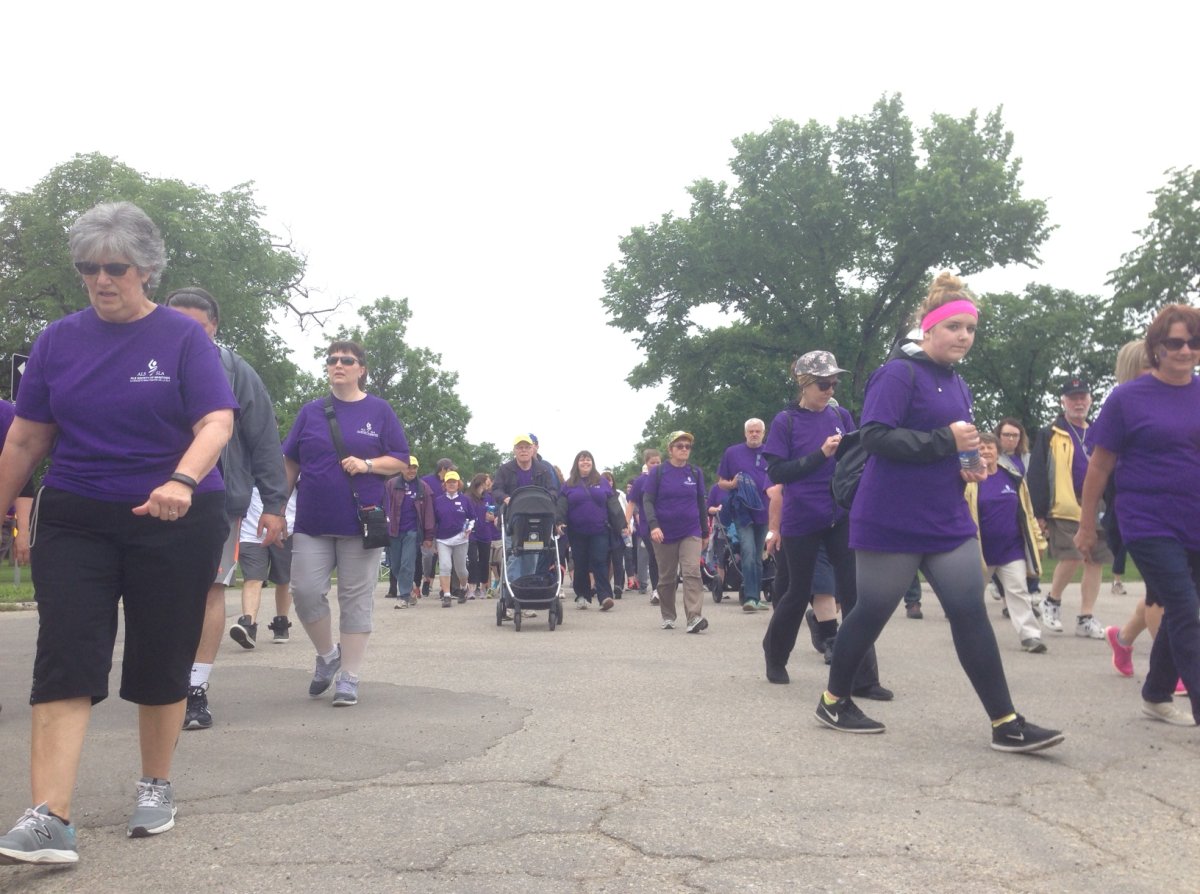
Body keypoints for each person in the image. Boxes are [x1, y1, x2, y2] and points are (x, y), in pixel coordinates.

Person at [0, 202, 236, 863]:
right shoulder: (57, 340)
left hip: (175, 518)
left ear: (147, 270)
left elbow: (216, 422)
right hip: (78, 515)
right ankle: (49, 819)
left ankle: (156, 784)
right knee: (66, 653)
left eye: (116, 268)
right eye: (88, 268)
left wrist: (181, 481)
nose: (102, 280)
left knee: (161, 654)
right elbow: (26, 436)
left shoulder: (183, 340)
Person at [815, 272, 1063, 753]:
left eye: (970, 329)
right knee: (871, 612)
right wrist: (944, 441)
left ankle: (1005, 721)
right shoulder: (897, 374)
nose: (964, 337)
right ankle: (833, 699)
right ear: (928, 330)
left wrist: (969, 464)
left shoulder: (958, 383)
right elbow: (876, 437)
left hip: (946, 517)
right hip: (890, 516)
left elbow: (960, 438)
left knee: (970, 611)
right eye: (954, 327)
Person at [164, 287, 289, 731]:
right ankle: (161, 681)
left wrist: (274, 504)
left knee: (210, 589)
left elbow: (264, 440)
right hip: (151, 498)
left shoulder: (237, 372)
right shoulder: (147, 362)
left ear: (213, 327)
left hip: (218, 501)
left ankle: (195, 688)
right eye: (174, 322)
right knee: (157, 593)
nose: (184, 335)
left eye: (195, 327)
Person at [1075, 305, 1200, 726]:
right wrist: (1086, 524)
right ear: (1156, 347)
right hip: (1147, 520)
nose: (1185, 350)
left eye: (1194, 342)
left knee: (1182, 606)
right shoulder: (1128, 398)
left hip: (1194, 519)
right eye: (1175, 343)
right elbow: (1100, 465)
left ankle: (1156, 693)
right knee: (1185, 609)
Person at [282, 340, 409, 708]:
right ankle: (327, 656)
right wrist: (276, 509)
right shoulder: (310, 412)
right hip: (312, 521)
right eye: (333, 360)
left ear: (361, 369)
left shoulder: (380, 411)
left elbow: (400, 459)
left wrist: (368, 465)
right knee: (304, 591)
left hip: (361, 522)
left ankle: (349, 677)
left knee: (355, 599)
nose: (338, 365)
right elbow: (290, 462)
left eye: (347, 360)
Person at [762, 351, 888, 700]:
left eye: (834, 383)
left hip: (840, 516)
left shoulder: (841, 415)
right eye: (823, 384)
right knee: (797, 591)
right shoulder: (785, 422)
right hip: (802, 518)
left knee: (854, 595)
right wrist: (820, 455)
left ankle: (864, 678)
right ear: (804, 383)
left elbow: (855, 460)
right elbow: (777, 473)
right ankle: (775, 655)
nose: (830, 389)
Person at [1100, 342, 1180, 690]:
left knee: (1162, 590)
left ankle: (1123, 638)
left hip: (1178, 511)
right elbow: (1101, 467)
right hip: (1137, 513)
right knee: (1166, 592)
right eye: (1148, 364)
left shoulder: (1177, 402)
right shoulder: (1123, 405)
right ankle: (1175, 666)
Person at [1027, 376, 1111, 638]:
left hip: (1097, 503)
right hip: (1064, 503)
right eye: (1072, 398)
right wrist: (1039, 511)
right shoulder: (1050, 433)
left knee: (1095, 560)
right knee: (1073, 554)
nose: (1078, 402)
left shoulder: (1100, 431)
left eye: (1082, 397)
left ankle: (1086, 616)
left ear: (1090, 400)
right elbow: (1037, 473)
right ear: (1063, 401)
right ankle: (1051, 601)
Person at [965, 433, 1047, 653]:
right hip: (981, 550)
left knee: (1018, 590)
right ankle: (969, 636)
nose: (985, 451)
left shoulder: (1012, 476)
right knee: (972, 596)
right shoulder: (970, 479)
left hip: (1011, 549)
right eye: (980, 448)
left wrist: (1038, 539)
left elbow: (1027, 512)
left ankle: (1030, 636)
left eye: (989, 447)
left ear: (997, 451)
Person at [643, 431, 709, 633]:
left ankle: (694, 617)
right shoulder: (659, 472)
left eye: (687, 446)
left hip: (690, 530)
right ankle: (669, 615)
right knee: (667, 578)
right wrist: (654, 525)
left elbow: (700, 503)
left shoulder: (695, 473)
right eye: (679, 446)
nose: (684, 449)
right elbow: (647, 500)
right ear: (670, 449)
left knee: (692, 572)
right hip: (663, 533)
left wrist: (705, 532)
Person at [556, 451, 627, 611]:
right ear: (577, 464)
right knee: (580, 563)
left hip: (599, 529)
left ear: (592, 463)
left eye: (588, 460)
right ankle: (582, 595)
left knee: (599, 561)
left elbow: (613, 503)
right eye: (582, 460)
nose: (585, 462)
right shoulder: (569, 484)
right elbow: (561, 505)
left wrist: (622, 523)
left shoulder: (602, 482)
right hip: (577, 531)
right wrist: (559, 521)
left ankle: (604, 597)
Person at [230, 487, 298, 646]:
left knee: (284, 578)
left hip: (286, 528)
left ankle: (281, 621)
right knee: (253, 577)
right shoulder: (245, 463)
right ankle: (248, 624)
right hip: (251, 531)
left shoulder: (290, 462)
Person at [717, 418, 771, 611]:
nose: (754, 434)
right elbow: (721, 482)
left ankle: (756, 597)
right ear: (745, 433)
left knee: (758, 556)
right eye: (751, 431)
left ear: (763, 433)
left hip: (765, 511)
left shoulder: (770, 452)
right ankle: (749, 597)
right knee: (747, 552)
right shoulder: (732, 453)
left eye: (758, 431)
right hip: (742, 512)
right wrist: (732, 485)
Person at [492, 433, 560, 579]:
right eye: (520, 448)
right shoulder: (505, 469)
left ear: (532, 449)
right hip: (513, 520)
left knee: (532, 557)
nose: (523, 450)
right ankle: (514, 592)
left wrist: (548, 499)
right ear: (514, 450)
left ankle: (527, 589)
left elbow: (553, 490)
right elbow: (496, 489)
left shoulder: (543, 470)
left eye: (527, 447)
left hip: (537, 520)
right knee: (514, 556)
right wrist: (505, 498)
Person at [384, 457, 435, 608]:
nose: (412, 470)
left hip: (412, 531)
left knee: (407, 564)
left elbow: (429, 513)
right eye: (408, 467)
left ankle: (404, 597)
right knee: (395, 566)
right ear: (401, 468)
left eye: (414, 467)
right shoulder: (391, 484)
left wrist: (428, 536)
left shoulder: (423, 487)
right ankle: (410, 587)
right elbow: (384, 505)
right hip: (393, 531)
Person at [626, 449, 663, 603]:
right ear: (646, 464)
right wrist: (626, 523)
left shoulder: (665, 477)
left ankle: (666, 587)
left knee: (667, 559)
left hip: (667, 523)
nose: (655, 465)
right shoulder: (640, 481)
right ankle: (656, 589)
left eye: (658, 462)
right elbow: (631, 503)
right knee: (654, 557)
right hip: (647, 526)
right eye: (652, 463)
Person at [432, 470, 473, 607]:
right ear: (445, 484)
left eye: (454, 482)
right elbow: (434, 521)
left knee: (461, 569)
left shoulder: (465, 500)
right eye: (449, 482)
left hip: (461, 539)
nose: (451, 484)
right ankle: (447, 595)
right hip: (443, 539)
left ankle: (463, 587)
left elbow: (472, 518)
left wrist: (469, 528)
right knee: (444, 566)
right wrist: (432, 540)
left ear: (458, 484)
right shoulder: (438, 501)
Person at [466, 473, 499, 600]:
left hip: (486, 533)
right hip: (472, 533)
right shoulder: (468, 497)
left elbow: (495, 512)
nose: (489, 483)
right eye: (487, 481)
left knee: (485, 561)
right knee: (473, 560)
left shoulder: (489, 497)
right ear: (480, 482)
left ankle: (483, 587)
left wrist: (493, 517)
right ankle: (472, 588)